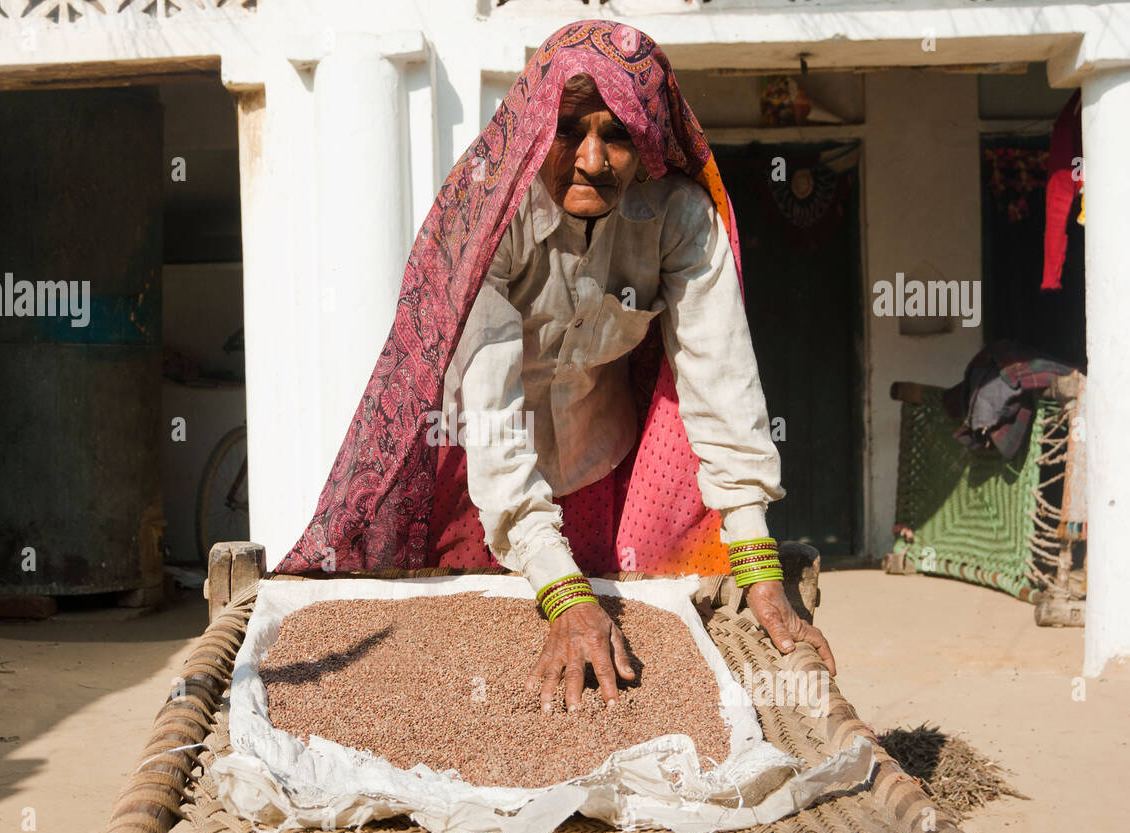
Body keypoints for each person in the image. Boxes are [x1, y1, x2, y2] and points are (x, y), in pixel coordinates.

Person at [278, 19, 837, 710]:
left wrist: (756, 564)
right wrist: (561, 591)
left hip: (601, 465)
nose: (594, 160)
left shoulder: (680, 219)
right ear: (540, 126)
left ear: (650, 141)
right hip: (484, 480)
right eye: (572, 129)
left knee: (614, 684)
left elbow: (720, 377)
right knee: (478, 680)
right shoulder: (491, 220)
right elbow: (491, 416)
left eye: (619, 133)